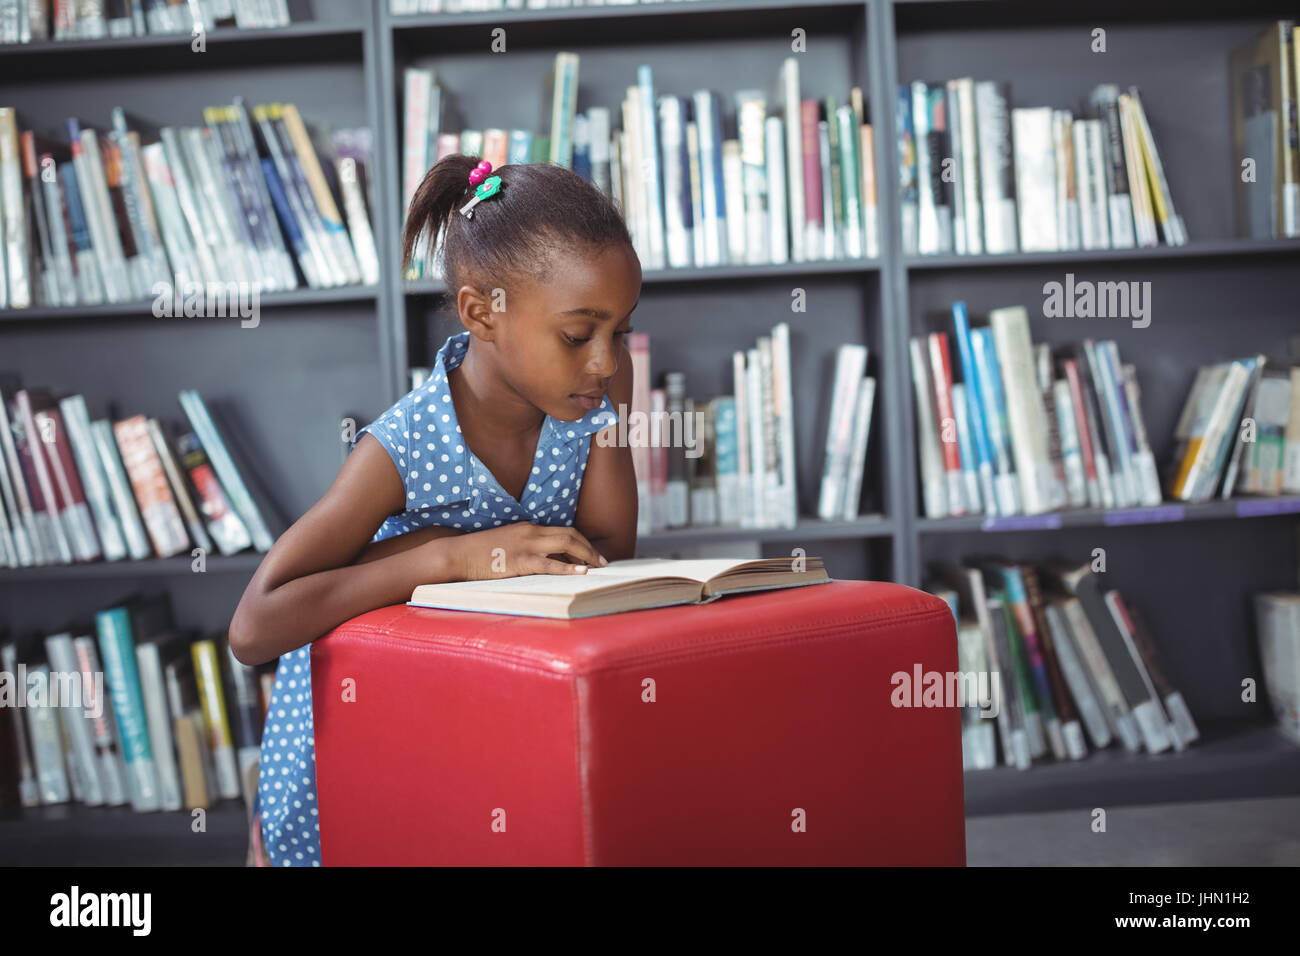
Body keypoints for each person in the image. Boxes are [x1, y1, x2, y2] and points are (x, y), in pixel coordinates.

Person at [229, 155, 642, 866]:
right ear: (482, 313)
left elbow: (606, 548)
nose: (605, 361)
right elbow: (255, 627)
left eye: (621, 330)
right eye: (579, 335)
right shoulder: (404, 443)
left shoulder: (594, 394)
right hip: (361, 739)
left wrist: (403, 561)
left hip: (485, 726)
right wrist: (453, 556)